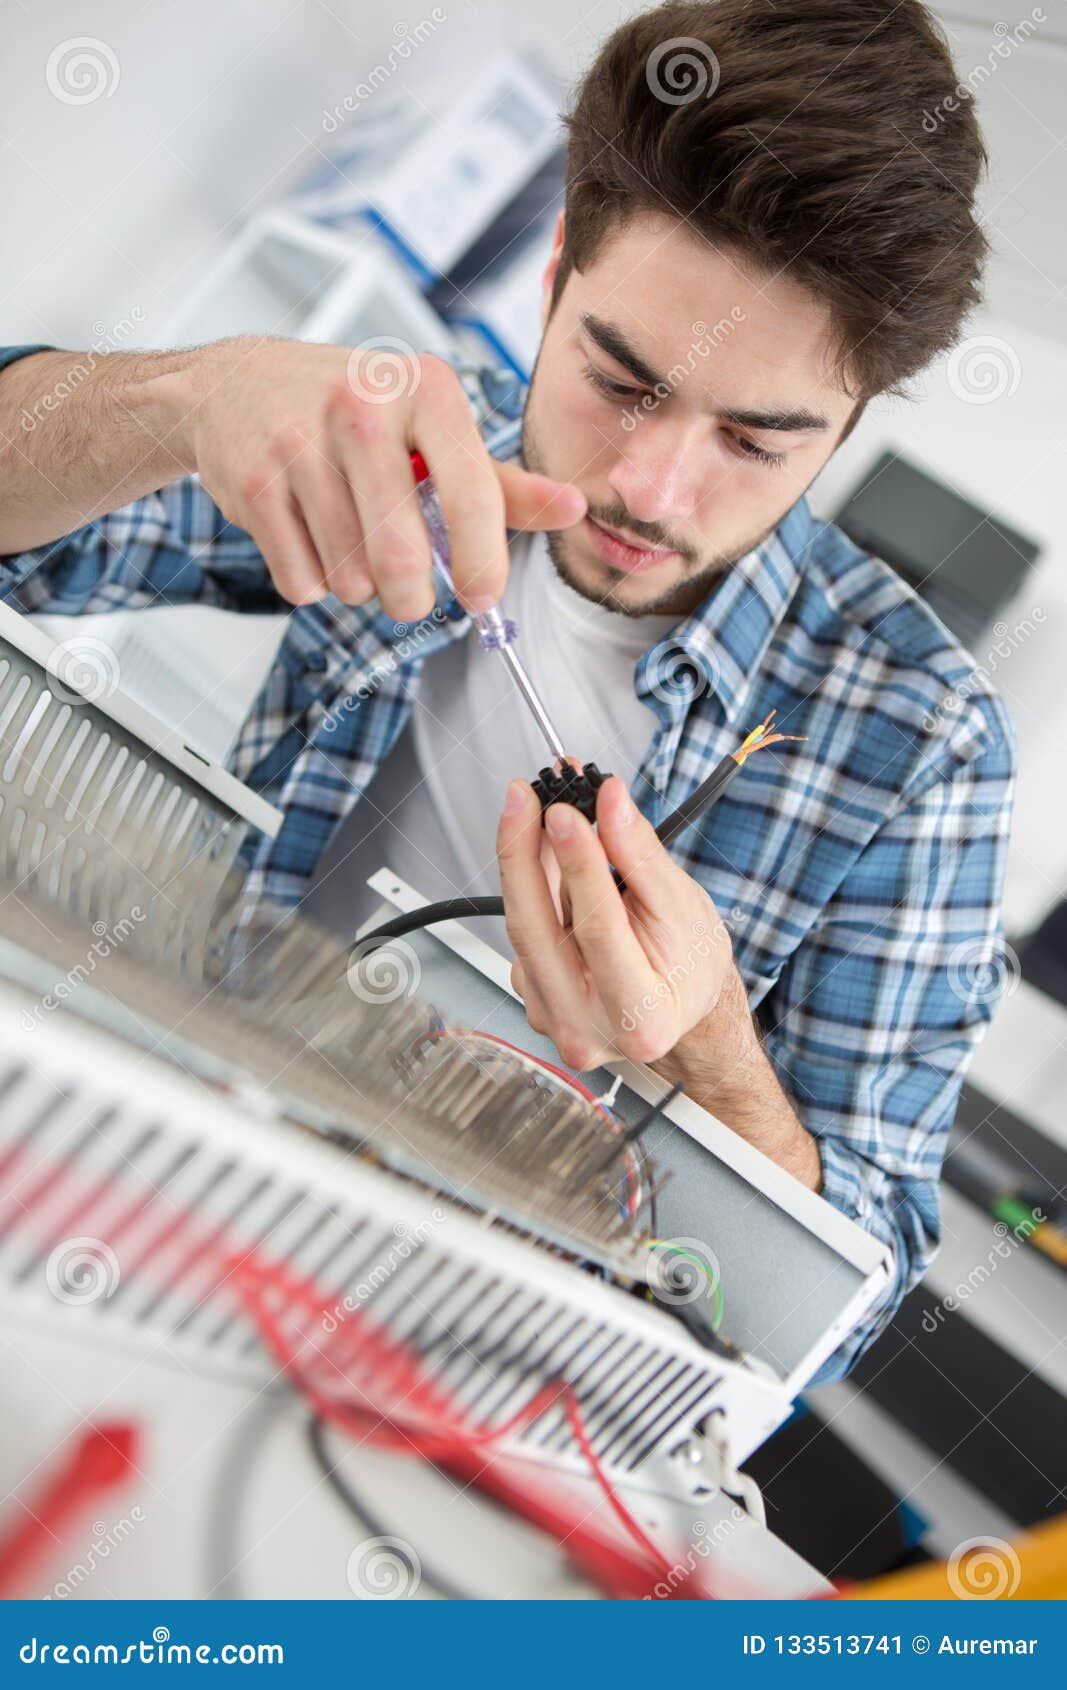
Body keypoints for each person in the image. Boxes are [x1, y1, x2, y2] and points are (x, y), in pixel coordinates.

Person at [0, 0, 1015, 1376]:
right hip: (164, 1158)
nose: (651, 490)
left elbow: (840, 1308)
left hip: (472, 1363)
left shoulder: (924, 737)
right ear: (551, 281)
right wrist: (184, 396)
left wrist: (711, 1056)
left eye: (756, 442)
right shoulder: (408, 445)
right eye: (622, 381)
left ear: (848, 425)